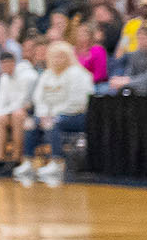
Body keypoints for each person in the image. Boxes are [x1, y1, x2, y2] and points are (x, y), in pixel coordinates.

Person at [17, 42, 91, 182]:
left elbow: (77, 102)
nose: (57, 60)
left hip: (75, 115)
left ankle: (57, 163)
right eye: (54, 57)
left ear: (69, 57)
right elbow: (38, 98)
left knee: (52, 123)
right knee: (30, 123)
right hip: (49, 115)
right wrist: (43, 114)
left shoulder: (78, 74)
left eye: (61, 57)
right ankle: (28, 161)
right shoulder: (47, 74)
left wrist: (53, 114)